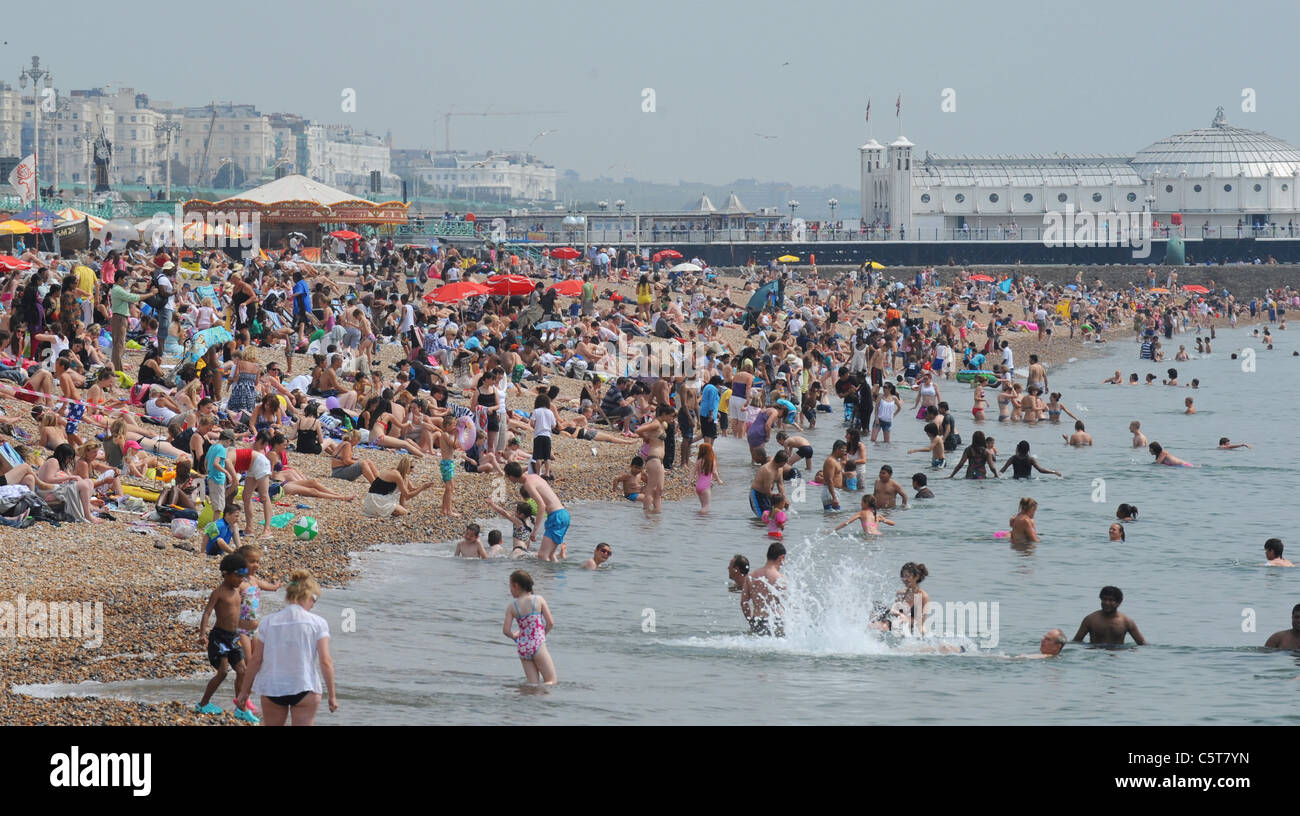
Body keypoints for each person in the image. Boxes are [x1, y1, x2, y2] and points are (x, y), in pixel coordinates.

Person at [242, 568, 337, 726]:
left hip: (272, 687)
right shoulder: (318, 623)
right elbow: (325, 661)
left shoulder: (268, 621)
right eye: (314, 599)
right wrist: (332, 695)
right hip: (304, 686)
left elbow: (256, 660)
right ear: (306, 596)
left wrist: (245, 691)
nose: (313, 605)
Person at [195, 553, 258, 721]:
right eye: (238, 576)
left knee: (242, 671)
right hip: (219, 638)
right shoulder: (219, 593)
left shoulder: (238, 589)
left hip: (233, 637)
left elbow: (251, 587)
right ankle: (203, 704)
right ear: (226, 574)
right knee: (222, 672)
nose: (240, 580)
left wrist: (250, 624)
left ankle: (241, 708)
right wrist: (203, 633)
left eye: (243, 576)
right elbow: (207, 612)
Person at [231, 543, 282, 719]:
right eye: (252, 561)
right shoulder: (240, 583)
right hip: (242, 630)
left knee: (254, 665)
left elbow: (264, 585)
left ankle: (245, 697)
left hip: (254, 630)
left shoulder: (253, 580)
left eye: (258, 562)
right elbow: (231, 603)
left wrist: (275, 586)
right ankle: (240, 701)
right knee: (246, 666)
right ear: (242, 562)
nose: (256, 565)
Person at [505, 461, 569, 562]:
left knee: (542, 556)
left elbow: (542, 505)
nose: (508, 479)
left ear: (511, 476)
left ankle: (548, 577)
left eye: (507, 476)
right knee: (551, 555)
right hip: (563, 514)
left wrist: (534, 531)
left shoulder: (527, 484)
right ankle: (556, 577)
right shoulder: (534, 476)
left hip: (556, 517)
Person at [503, 570, 557, 685]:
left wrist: (514, 637)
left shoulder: (512, 607)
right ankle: (541, 702)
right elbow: (550, 622)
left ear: (516, 586)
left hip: (523, 646)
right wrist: (542, 634)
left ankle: (527, 701)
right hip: (538, 644)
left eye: (510, 587)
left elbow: (506, 631)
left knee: (532, 684)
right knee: (551, 681)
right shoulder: (538, 599)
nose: (510, 590)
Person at [362, 458, 435, 518]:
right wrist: (422, 488)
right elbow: (407, 495)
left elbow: (411, 489)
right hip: (377, 500)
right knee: (406, 514)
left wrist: (425, 486)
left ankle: (401, 507)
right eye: (411, 467)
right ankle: (398, 509)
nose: (412, 470)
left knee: (403, 512)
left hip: (381, 498)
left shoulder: (402, 475)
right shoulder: (396, 475)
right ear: (406, 466)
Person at [1073, 586, 1146, 645]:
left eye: (1111, 600)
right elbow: (1076, 642)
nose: (1107, 603)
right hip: (1095, 654)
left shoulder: (1126, 622)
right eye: (1104, 599)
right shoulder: (1090, 620)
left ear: (1119, 603)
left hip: (1116, 657)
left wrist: (1129, 650)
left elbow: (1142, 644)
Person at [749, 542, 786, 636]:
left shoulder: (751, 576)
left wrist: (751, 621)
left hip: (757, 620)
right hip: (776, 621)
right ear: (781, 557)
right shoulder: (781, 579)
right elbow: (786, 604)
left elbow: (743, 602)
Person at [692, 442, 722, 511]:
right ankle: (702, 520)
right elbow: (714, 472)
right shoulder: (711, 461)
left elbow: (693, 472)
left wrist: (688, 482)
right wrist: (719, 481)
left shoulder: (699, 460)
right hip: (705, 487)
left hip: (698, 486)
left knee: (703, 506)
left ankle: (699, 519)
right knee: (706, 506)